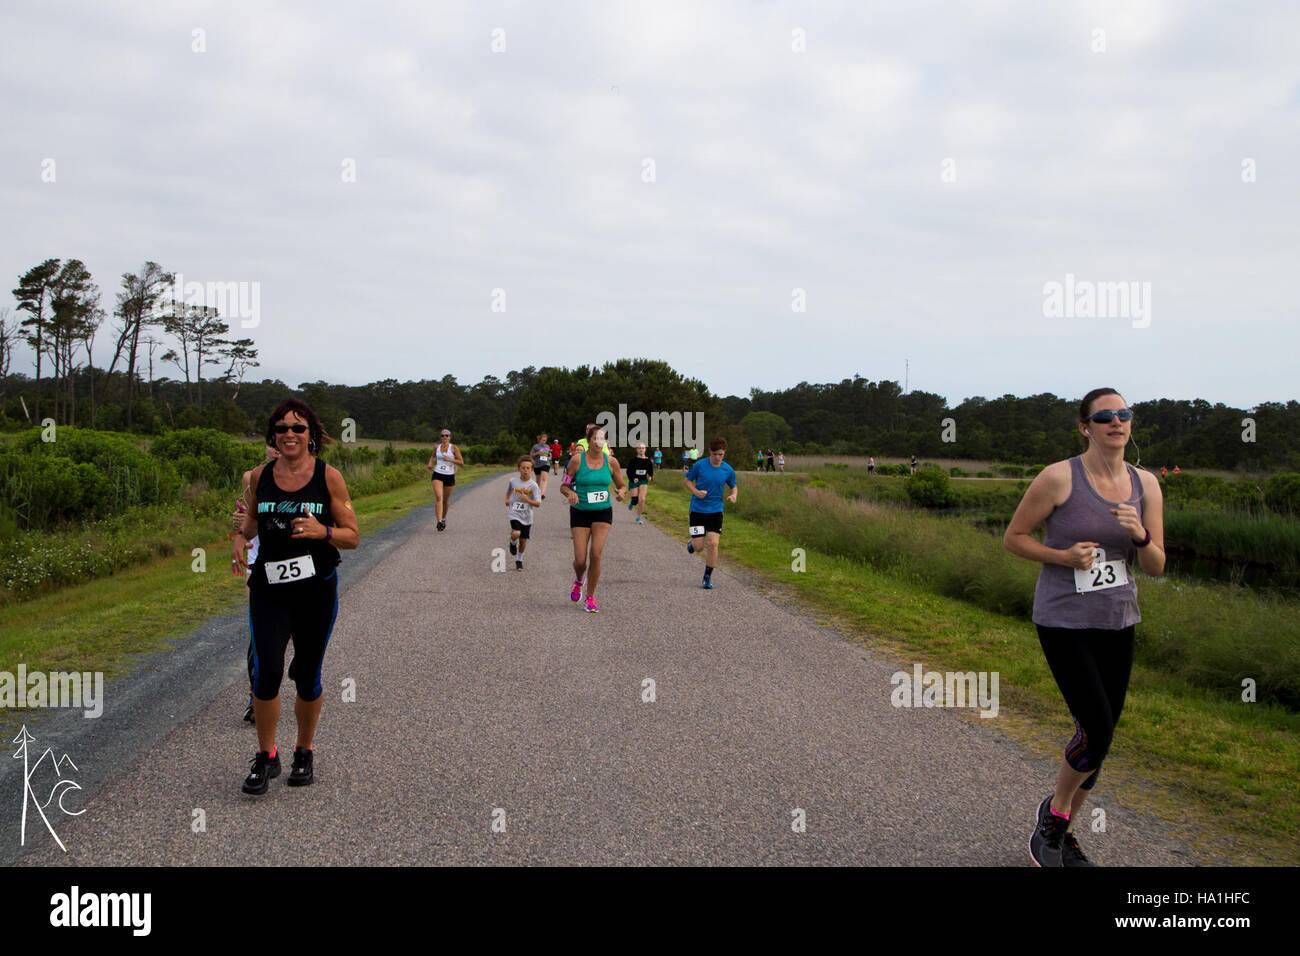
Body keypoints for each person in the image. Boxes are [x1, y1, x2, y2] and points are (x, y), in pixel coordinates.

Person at [1003, 388, 1164, 867]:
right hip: (1063, 620)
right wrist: (1063, 557)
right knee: (1094, 727)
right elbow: (1014, 538)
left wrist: (1140, 535)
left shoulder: (1147, 484)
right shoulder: (1058, 478)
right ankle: (1053, 818)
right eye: (1106, 416)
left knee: (1103, 735)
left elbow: (1155, 565)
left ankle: (1063, 834)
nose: (1117, 423)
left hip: (1117, 620)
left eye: (1124, 415)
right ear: (1085, 426)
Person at [231, 399, 360, 795]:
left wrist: (322, 532)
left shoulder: (329, 477)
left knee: (306, 675)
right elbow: (250, 523)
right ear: (273, 436)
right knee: (266, 672)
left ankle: (304, 751)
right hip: (269, 589)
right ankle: (266, 756)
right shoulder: (260, 476)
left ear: (312, 436)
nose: (289, 433)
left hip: (315, 590)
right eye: (282, 428)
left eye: (298, 428)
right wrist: (238, 538)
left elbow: (352, 535)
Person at [234, 443, 280, 723]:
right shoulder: (251, 477)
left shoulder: (306, 477)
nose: (276, 449)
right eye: (271, 444)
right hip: (258, 557)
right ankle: (256, 696)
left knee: (290, 629)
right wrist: (239, 525)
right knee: (259, 634)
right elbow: (246, 518)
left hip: (289, 560)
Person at [561, 425, 626, 612]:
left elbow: (622, 485)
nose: (599, 442)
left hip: (602, 512)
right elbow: (564, 486)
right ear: (588, 441)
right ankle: (578, 580)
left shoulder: (611, 462)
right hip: (580, 511)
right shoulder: (577, 460)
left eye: (602, 439)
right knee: (580, 561)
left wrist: (621, 492)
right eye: (596, 439)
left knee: (596, 554)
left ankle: (590, 597)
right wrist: (569, 494)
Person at [684, 437, 738, 589]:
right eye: (715, 454)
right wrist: (696, 492)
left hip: (716, 511)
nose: (717, 457)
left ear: (724, 453)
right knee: (699, 547)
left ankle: (707, 577)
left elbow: (734, 486)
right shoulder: (699, 465)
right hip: (697, 510)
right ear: (710, 452)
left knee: (713, 543)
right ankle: (692, 543)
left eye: (720, 454)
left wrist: (733, 495)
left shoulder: (728, 469)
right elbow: (687, 481)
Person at [505, 456, 541, 570]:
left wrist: (527, 500)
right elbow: (509, 491)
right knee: (516, 533)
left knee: (523, 540)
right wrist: (507, 499)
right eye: (523, 468)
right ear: (518, 469)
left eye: (528, 468)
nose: (525, 470)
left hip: (527, 516)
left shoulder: (533, 486)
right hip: (514, 512)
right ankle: (512, 541)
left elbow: (538, 504)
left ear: (531, 470)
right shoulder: (513, 481)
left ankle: (519, 560)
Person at [427, 428, 464, 531]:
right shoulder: (436, 447)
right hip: (437, 474)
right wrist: (430, 463)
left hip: (449, 475)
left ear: (449, 437)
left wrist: (450, 459)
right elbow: (433, 457)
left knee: (445, 501)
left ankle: (443, 519)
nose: (444, 437)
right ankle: (439, 522)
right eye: (442, 435)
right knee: (439, 497)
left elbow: (461, 463)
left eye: (446, 435)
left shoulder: (454, 448)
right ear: (440, 437)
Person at [626, 443, 654, 524]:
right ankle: (632, 502)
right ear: (637, 450)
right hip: (634, 481)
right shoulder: (633, 460)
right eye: (639, 448)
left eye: (643, 448)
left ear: (645, 449)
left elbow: (650, 470)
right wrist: (633, 478)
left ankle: (638, 517)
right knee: (635, 500)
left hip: (643, 481)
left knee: (642, 499)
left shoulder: (648, 461)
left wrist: (650, 476)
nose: (641, 449)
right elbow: (628, 471)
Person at [530, 433, 552, 500]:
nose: (544, 441)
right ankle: (537, 492)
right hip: (537, 465)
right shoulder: (535, 447)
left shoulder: (547, 446)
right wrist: (537, 453)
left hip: (546, 463)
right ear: (540, 440)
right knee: (538, 480)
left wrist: (550, 456)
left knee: (544, 479)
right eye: (543, 440)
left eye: (545, 440)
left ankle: (542, 494)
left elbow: (549, 454)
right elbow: (531, 455)